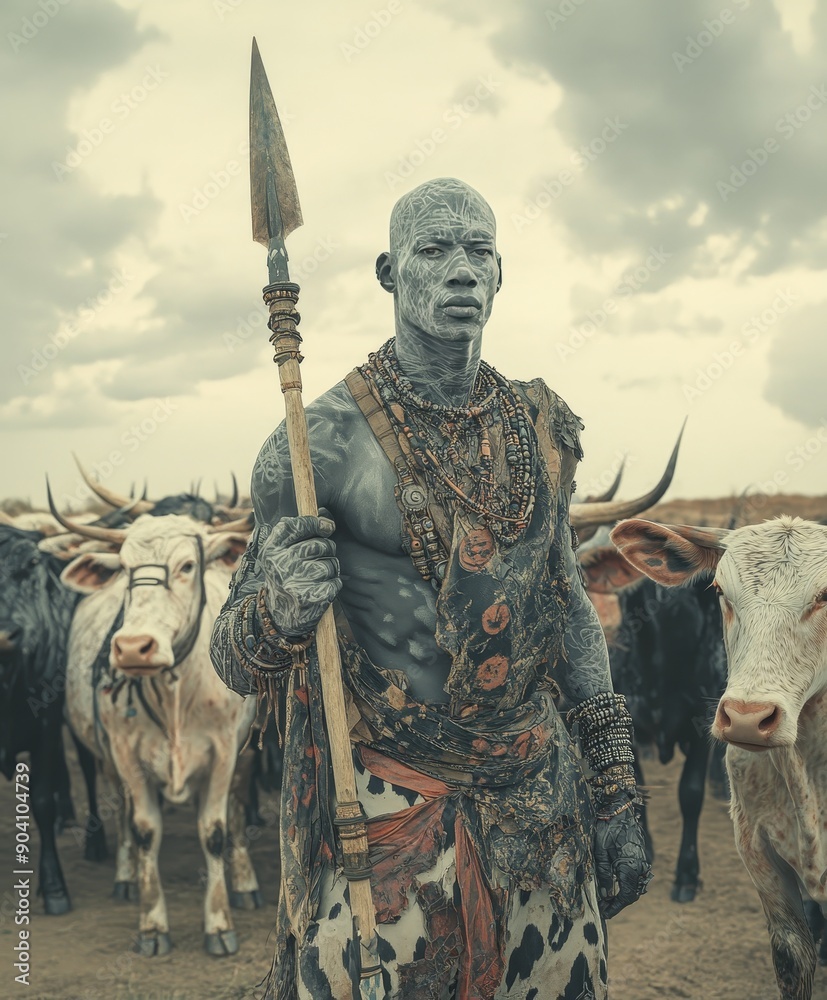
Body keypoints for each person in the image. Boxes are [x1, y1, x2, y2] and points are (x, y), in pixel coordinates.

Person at [211, 177, 651, 1000]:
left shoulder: (540, 425)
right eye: (433, 249)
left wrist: (618, 792)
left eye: (477, 251)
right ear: (388, 272)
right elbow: (234, 656)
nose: (459, 271)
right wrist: (278, 609)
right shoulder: (317, 444)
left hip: (538, 797)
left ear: (500, 274)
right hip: (383, 808)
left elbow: (568, 611)